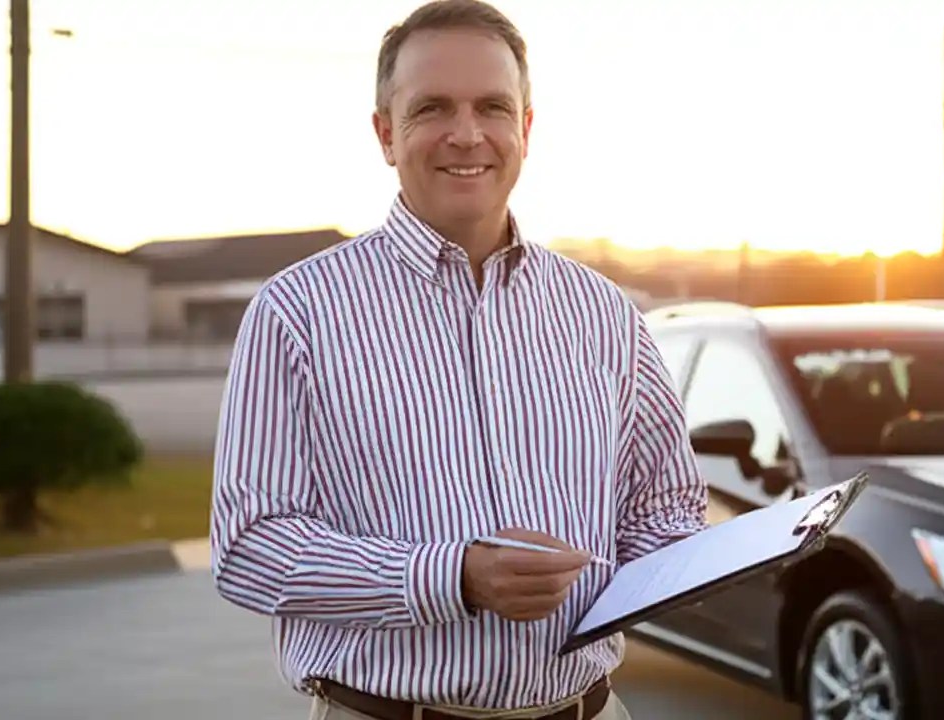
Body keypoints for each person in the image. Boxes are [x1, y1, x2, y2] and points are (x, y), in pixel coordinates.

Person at [209, 1, 708, 718]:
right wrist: (456, 577)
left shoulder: (605, 315)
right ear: (386, 133)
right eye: (432, 108)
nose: (466, 134)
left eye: (493, 108)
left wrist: (722, 556)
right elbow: (251, 549)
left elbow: (664, 509)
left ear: (526, 129)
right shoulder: (298, 314)